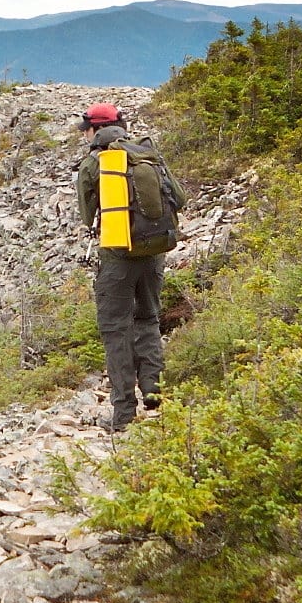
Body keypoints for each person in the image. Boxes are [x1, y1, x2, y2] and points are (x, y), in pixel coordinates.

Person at [72, 102, 183, 431]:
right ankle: (153, 390)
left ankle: (123, 414)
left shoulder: (94, 163)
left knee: (115, 329)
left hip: (117, 257)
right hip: (153, 251)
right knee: (148, 318)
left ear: (93, 131)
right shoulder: (148, 153)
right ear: (121, 125)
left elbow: (86, 216)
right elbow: (179, 197)